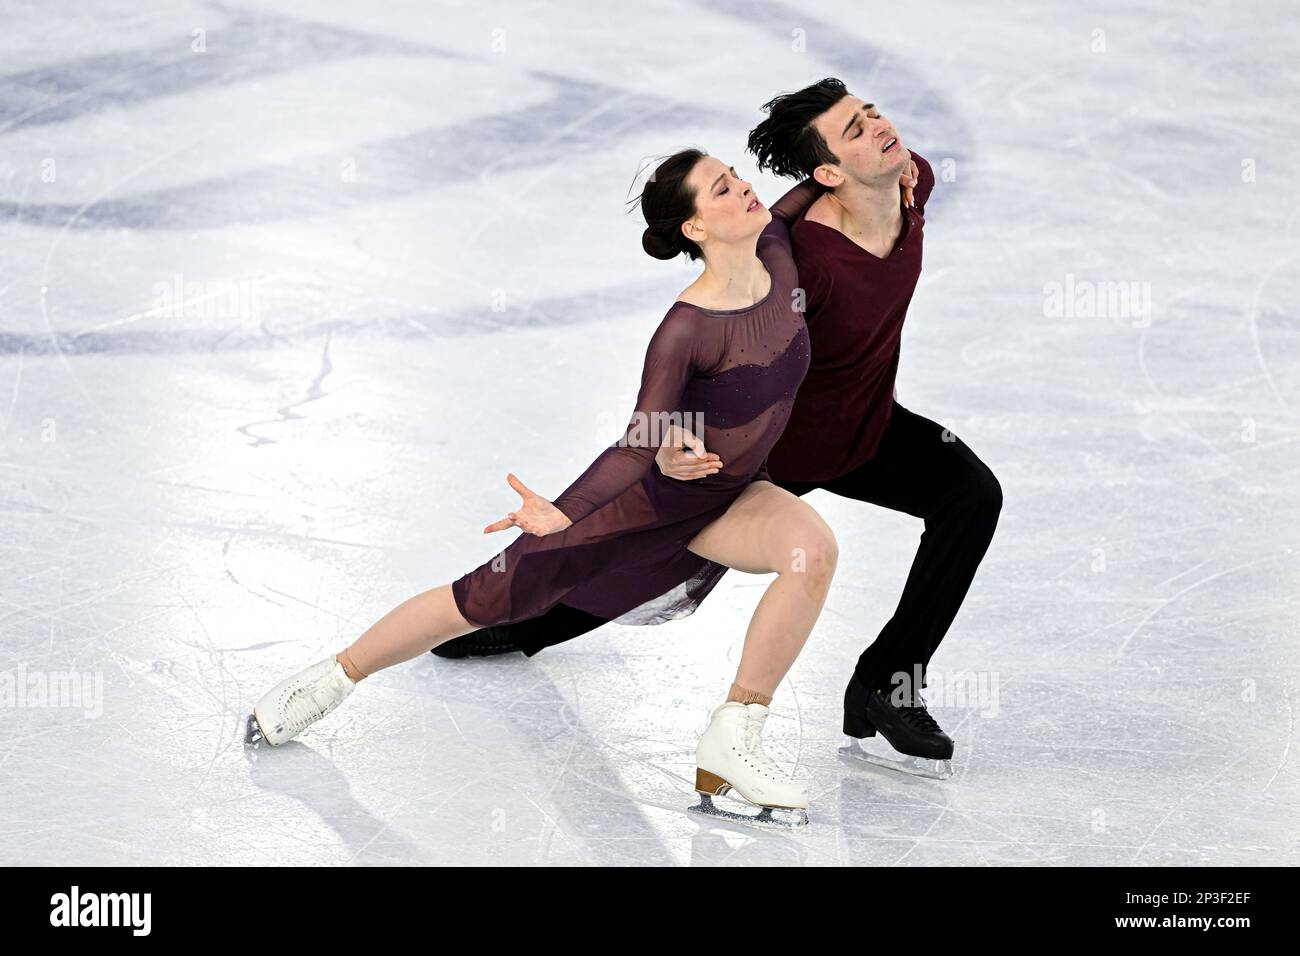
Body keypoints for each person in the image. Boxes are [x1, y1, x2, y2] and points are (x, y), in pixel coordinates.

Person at [247, 148, 843, 826]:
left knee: (810, 552)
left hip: (729, 499)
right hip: (641, 505)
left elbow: (813, 188)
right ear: (695, 228)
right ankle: (329, 679)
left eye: (737, 177)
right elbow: (640, 440)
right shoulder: (686, 328)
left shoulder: (777, 248)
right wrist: (565, 510)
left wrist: (881, 163)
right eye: (721, 189)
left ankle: (734, 737)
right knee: (476, 599)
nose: (743, 190)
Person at [435, 78, 1003, 780]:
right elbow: (735, 339)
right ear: (829, 173)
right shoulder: (802, 265)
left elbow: (814, 196)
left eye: (872, 113)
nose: (880, 128)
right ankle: (525, 619)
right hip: (772, 448)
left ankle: (887, 681)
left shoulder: (912, 179)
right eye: (855, 130)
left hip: (865, 429)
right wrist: (683, 437)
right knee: (655, 556)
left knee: (971, 496)